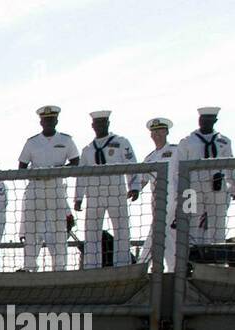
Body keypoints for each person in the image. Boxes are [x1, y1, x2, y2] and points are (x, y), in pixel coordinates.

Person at [18, 104, 80, 270]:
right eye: (45, 120)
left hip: (56, 186)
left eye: (51, 119)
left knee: (59, 228)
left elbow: (75, 162)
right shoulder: (32, 142)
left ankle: (60, 267)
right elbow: (22, 165)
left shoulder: (66, 140)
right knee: (32, 227)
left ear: (56, 120)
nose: (48, 123)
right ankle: (29, 266)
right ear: (41, 122)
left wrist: (59, 171)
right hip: (36, 186)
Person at [74, 111, 138, 268]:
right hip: (94, 194)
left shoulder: (121, 142)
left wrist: (134, 186)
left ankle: (122, 264)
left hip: (116, 191)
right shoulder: (88, 149)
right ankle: (92, 266)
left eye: (103, 123)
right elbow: (81, 175)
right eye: (97, 124)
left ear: (108, 124)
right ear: (92, 126)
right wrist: (78, 197)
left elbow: (132, 164)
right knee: (91, 232)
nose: (100, 127)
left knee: (122, 229)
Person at [171, 106, 235, 247]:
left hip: (217, 187)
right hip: (192, 187)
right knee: (190, 224)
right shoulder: (187, 142)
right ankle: (188, 258)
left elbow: (230, 167)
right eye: (202, 119)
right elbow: (176, 168)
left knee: (218, 225)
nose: (205, 122)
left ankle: (217, 259)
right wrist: (179, 191)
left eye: (209, 119)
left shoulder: (224, 141)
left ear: (215, 121)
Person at [133, 117, 177, 270]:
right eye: (154, 132)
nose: (156, 134)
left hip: (173, 196)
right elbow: (142, 180)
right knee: (166, 234)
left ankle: (141, 265)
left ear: (166, 132)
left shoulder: (176, 151)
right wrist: (134, 190)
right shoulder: (150, 158)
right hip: (156, 199)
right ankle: (174, 268)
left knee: (158, 229)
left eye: (160, 131)